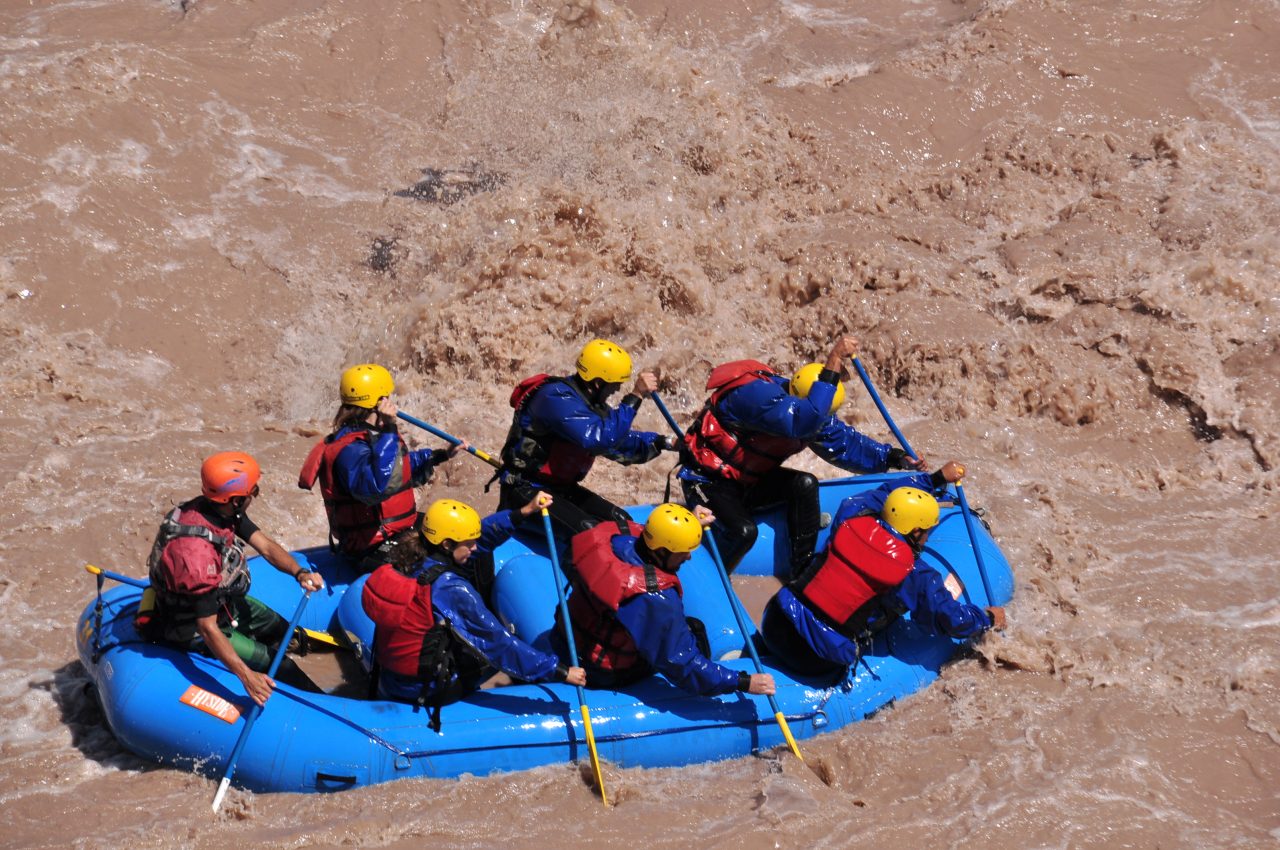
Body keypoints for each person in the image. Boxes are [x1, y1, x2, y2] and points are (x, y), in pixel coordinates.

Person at [678, 334, 927, 575]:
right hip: (707, 481)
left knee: (806, 484)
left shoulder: (811, 415)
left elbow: (845, 445)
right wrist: (834, 360)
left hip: (747, 483)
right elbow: (803, 420)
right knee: (744, 532)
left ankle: (801, 572)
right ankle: (711, 579)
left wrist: (894, 458)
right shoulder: (754, 397)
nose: (823, 420)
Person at [759, 462, 1006, 678]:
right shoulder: (915, 573)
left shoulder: (851, 513)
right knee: (894, 605)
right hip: (814, 658)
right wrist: (988, 618)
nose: (927, 538)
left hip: (774, 621)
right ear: (917, 531)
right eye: (927, 532)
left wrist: (935, 479)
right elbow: (952, 620)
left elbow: (885, 493)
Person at [361, 495, 586, 729]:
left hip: (390, 677)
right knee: (507, 646)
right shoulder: (450, 588)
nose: (475, 547)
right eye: (468, 543)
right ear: (447, 544)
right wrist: (559, 671)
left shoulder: (408, 558)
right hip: (426, 689)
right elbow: (497, 644)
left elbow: (483, 538)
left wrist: (523, 512)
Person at [138, 452, 325, 706]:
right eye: (254, 491)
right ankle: (323, 703)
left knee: (280, 628)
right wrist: (247, 677)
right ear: (236, 500)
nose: (256, 495)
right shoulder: (196, 556)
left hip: (225, 603)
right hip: (196, 625)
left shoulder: (220, 509)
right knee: (280, 664)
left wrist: (299, 573)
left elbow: (266, 547)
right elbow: (207, 627)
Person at [563, 502, 775, 698]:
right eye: (683, 551)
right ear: (662, 551)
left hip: (565, 641)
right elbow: (683, 664)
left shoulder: (617, 540)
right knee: (696, 632)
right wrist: (742, 682)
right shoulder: (655, 598)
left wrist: (689, 525)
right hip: (602, 671)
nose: (689, 557)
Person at [497, 338, 674, 540]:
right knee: (588, 532)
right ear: (598, 382)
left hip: (561, 490)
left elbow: (618, 442)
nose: (617, 390)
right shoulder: (555, 398)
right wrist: (634, 397)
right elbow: (598, 439)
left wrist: (664, 442)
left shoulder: (589, 405)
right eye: (614, 384)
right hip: (525, 491)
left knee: (623, 521)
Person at [299, 363, 465, 572]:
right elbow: (377, 487)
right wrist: (389, 428)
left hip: (397, 530)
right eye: (388, 397)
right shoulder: (350, 451)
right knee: (443, 563)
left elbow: (400, 468)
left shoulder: (371, 436)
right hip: (372, 547)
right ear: (379, 402)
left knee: (459, 536)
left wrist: (439, 455)